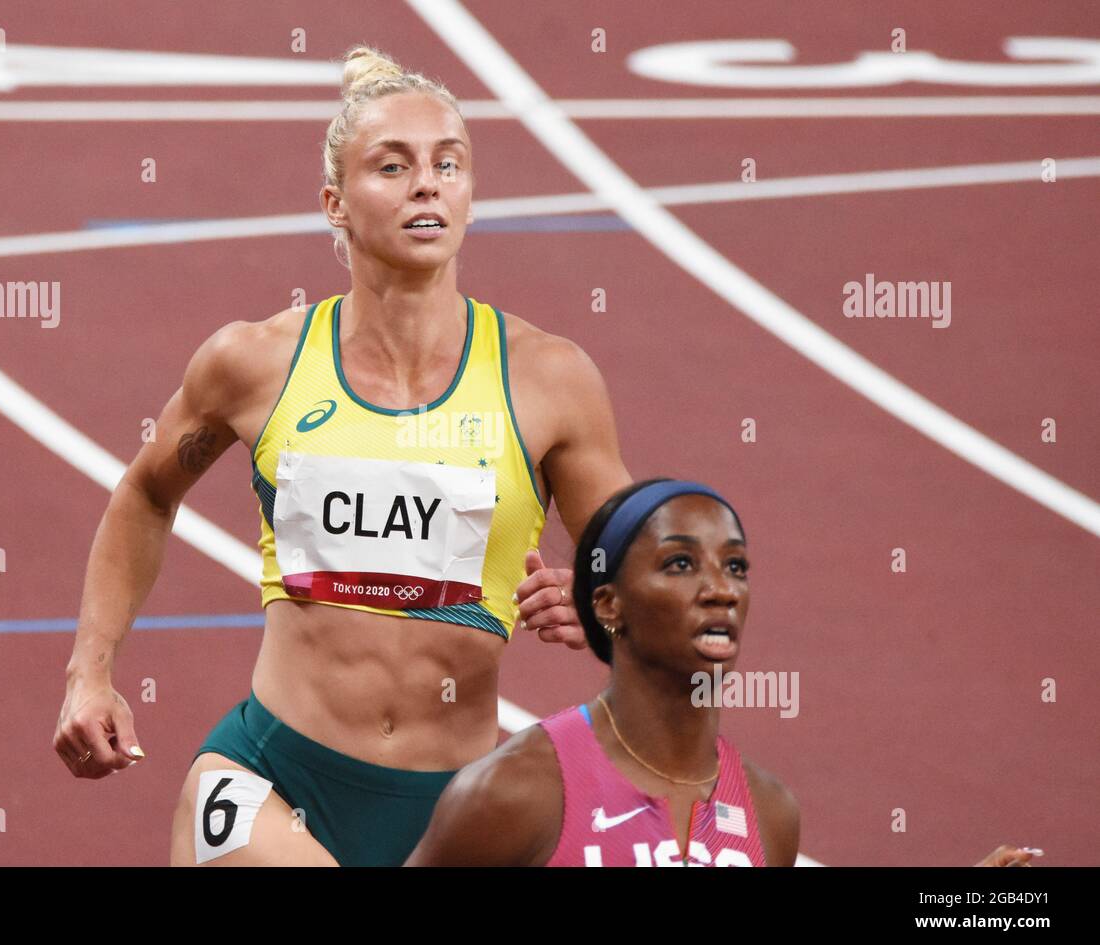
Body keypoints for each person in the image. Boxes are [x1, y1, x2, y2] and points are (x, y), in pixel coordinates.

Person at [51, 44, 629, 866]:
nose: (426, 184)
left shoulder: (550, 380)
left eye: (448, 164)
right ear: (335, 202)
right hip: (273, 778)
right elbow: (146, 494)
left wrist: (604, 608)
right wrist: (90, 672)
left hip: (463, 809)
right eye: (392, 167)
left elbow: (644, 569)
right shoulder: (254, 364)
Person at [406, 479, 1041, 867]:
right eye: (681, 565)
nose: (720, 590)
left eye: (735, 567)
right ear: (608, 605)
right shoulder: (516, 792)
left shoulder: (769, 810)